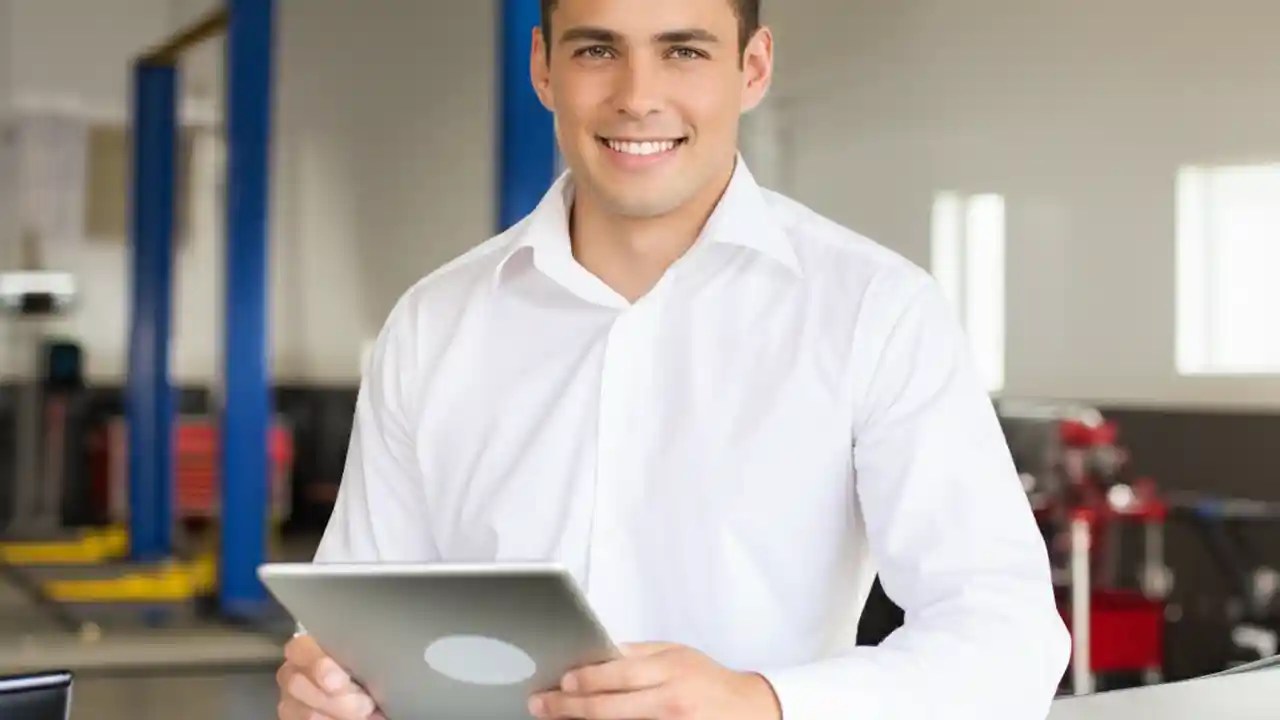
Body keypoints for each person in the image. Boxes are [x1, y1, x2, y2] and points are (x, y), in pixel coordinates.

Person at [275, 0, 1072, 718]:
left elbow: (1006, 637)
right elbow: (361, 618)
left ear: (751, 67)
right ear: (543, 69)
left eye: (682, 51)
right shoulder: (433, 324)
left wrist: (760, 704)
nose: (637, 95)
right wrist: (330, 686)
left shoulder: (874, 311)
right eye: (596, 51)